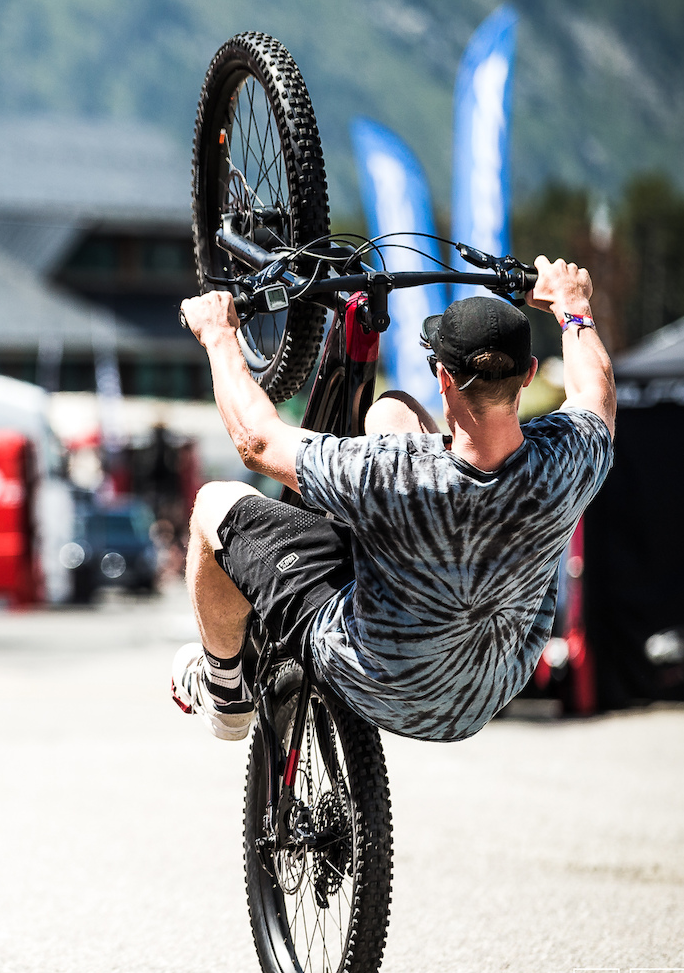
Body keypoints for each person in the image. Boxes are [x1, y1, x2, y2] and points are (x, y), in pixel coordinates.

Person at [171, 257, 614, 742]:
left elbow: (256, 442)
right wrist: (572, 305)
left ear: (443, 377)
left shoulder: (387, 473)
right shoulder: (568, 462)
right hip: (485, 692)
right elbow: (596, 393)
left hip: (377, 679)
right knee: (391, 409)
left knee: (212, 503)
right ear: (528, 374)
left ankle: (226, 695)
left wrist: (218, 335)